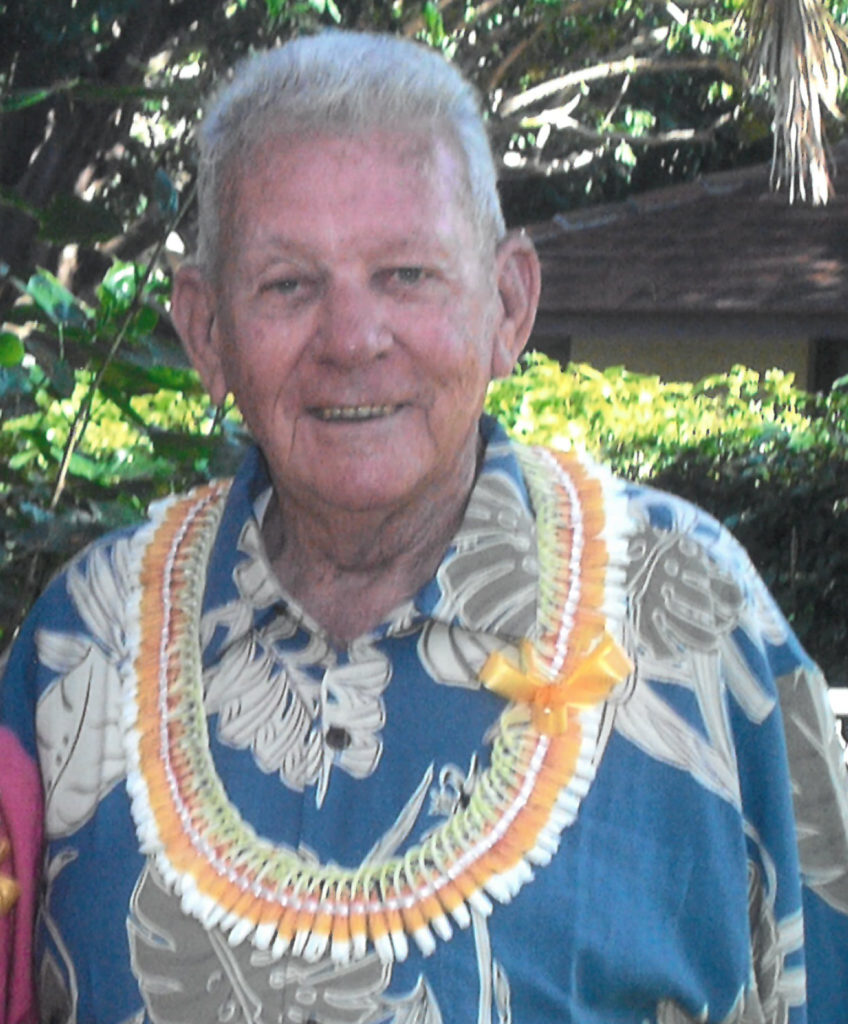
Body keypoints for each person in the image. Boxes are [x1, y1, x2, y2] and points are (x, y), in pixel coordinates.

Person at [1, 29, 847, 1024]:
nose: (353, 339)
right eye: (286, 283)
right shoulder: (84, 641)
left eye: (405, 274)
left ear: (508, 304)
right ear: (204, 330)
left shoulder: (698, 623)